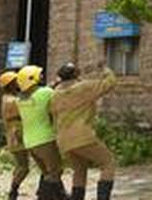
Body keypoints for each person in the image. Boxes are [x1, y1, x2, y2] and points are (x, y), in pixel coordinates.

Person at [50, 62, 118, 200]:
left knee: (80, 170)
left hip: (63, 140)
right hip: (82, 136)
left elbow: (52, 113)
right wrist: (104, 68)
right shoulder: (83, 87)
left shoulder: (55, 95)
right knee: (107, 163)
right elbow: (110, 82)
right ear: (76, 75)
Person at [15, 64, 70, 200]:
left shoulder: (20, 99)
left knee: (47, 172)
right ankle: (43, 197)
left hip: (30, 142)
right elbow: (52, 92)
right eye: (39, 76)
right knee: (56, 171)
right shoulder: (45, 93)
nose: (41, 77)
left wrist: (54, 82)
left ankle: (60, 196)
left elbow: (43, 90)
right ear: (33, 79)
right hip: (45, 139)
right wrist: (61, 81)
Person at [0, 71, 35, 200]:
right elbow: (28, 104)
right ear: (10, 85)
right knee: (24, 167)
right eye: (16, 82)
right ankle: (13, 191)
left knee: (22, 166)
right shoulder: (11, 100)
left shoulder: (10, 98)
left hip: (19, 135)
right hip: (17, 137)